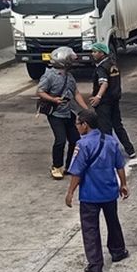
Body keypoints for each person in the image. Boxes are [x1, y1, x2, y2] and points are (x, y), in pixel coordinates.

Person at [65, 109, 129, 272]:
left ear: (85, 125)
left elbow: (77, 172)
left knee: (90, 229)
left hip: (90, 195)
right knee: (113, 222)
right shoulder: (110, 140)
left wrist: (70, 192)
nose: (77, 127)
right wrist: (123, 184)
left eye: (78, 124)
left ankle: (95, 265)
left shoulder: (82, 145)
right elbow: (120, 165)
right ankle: (118, 251)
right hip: (109, 192)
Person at [36, 46, 88, 180]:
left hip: (68, 112)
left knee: (75, 140)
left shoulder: (69, 77)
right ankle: (56, 166)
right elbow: (40, 92)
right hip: (55, 114)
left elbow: (76, 93)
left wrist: (86, 110)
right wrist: (53, 99)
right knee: (60, 140)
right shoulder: (49, 76)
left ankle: (70, 165)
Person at [87, 42, 136, 158]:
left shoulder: (101, 68)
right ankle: (130, 150)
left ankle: (109, 153)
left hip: (104, 102)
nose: (93, 54)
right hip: (114, 99)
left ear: (102, 53)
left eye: (95, 51)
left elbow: (104, 83)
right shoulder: (113, 64)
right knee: (118, 126)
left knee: (105, 128)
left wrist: (98, 97)